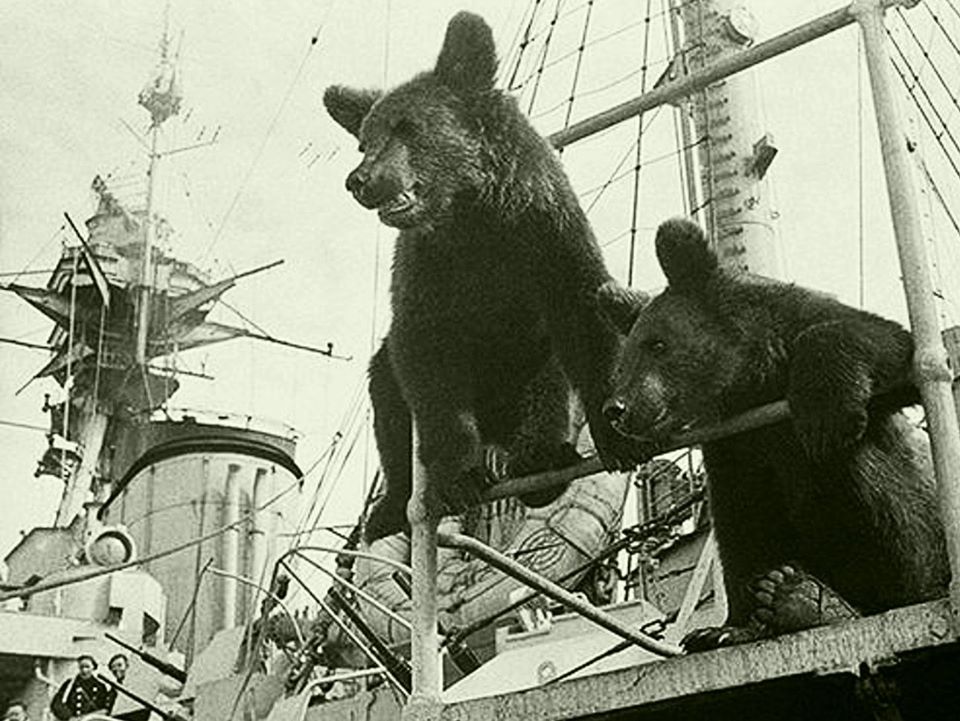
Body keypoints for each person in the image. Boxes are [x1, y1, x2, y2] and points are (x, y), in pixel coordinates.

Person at [50, 655, 111, 721]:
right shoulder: (70, 684)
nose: (84, 670)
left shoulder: (100, 687)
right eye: (81, 667)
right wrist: (69, 717)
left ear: (93, 667)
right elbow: (57, 703)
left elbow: (104, 709)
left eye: (87, 667)